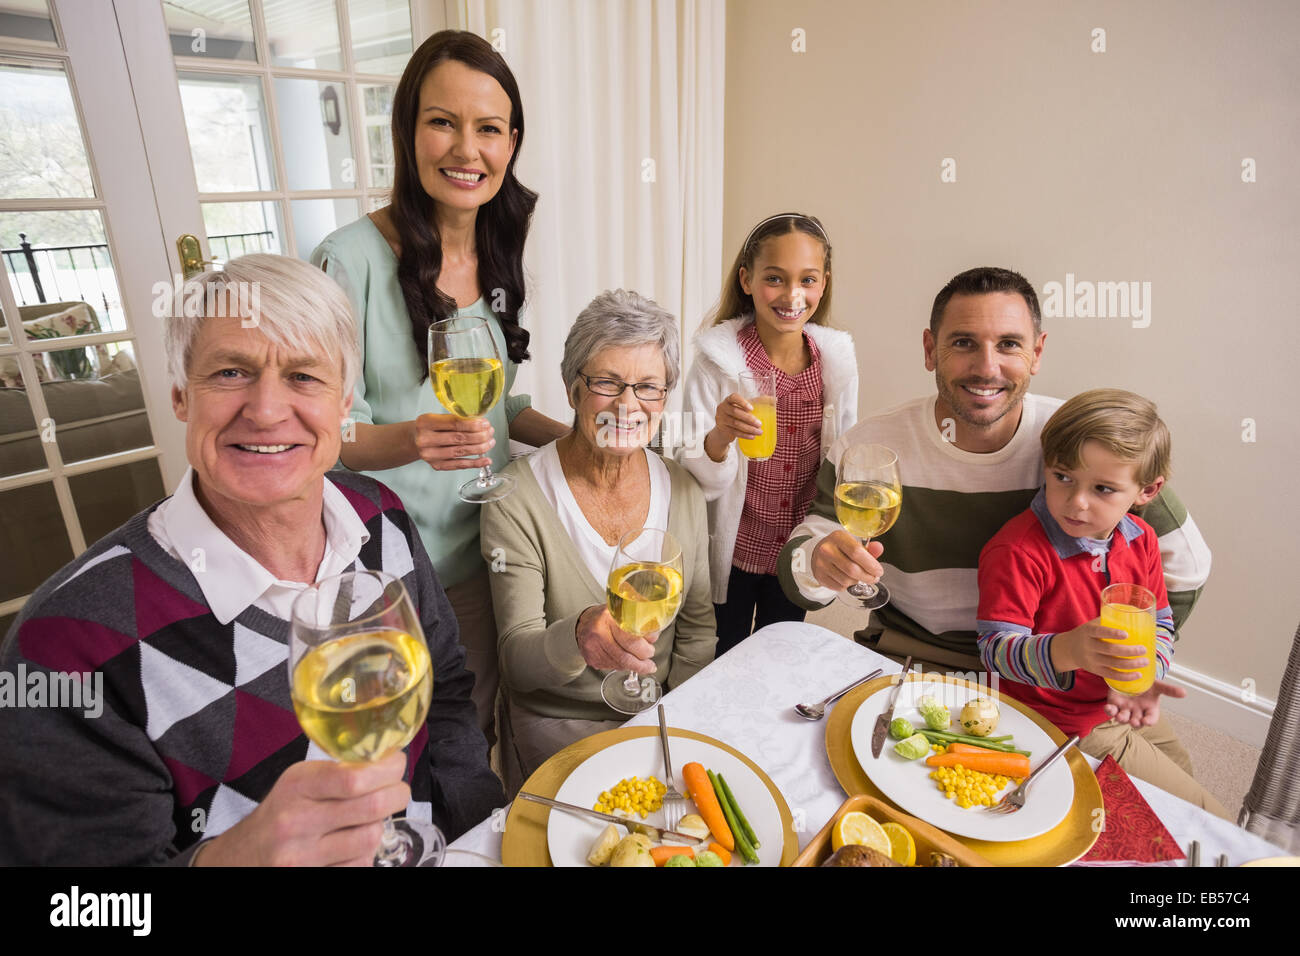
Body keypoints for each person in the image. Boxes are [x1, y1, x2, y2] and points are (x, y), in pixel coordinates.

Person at [0, 255, 503, 865]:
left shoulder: (381, 516)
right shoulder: (65, 644)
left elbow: (445, 691)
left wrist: (476, 831)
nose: (266, 411)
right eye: (232, 372)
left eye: (303, 377)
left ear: (345, 403)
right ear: (182, 395)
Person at [311, 31, 568, 750]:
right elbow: (328, 436)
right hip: (395, 564)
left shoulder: (498, 249)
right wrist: (413, 440)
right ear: (408, 130)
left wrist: (577, 437)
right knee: (403, 745)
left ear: (511, 143)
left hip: (498, 546)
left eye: (488, 128)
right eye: (442, 122)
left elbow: (500, 407)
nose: (466, 149)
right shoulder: (348, 260)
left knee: (479, 729)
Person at [778, 266, 1211, 677]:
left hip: (1051, 668)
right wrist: (818, 561)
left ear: (1037, 352)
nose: (987, 367)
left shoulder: (1077, 440)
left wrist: (1131, 657)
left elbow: (1187, 568)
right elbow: (804, 560)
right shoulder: (870, 446)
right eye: (964, 343)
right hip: (910, 655)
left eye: (1008, 344)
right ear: (930, 350)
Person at [481, 290, 716, 794]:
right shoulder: (514, 498)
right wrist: (579, 636)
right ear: (572, 389)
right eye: (607, 383)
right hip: (558, 720)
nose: (628, 405)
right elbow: (517, 662)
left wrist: (678, 722)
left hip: (659, 711)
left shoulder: (685, 491)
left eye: (648, 387)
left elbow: (697, 633)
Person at [976, 389, 1228, 817]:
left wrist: (1148, 669)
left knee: (1183, 768)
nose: (1076, 501)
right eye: (1062, 477)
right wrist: (1068, 650)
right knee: (1202, 813)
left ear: (1147, 491)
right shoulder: (1018, 550)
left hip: (1118, 700)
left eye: (1103, 489)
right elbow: (994, 650)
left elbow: (1162, 621)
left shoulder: (1142, 540)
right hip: (1062, 719)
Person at [679, 213, 858, 655]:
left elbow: (843, 458)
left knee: (780, 655)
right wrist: (719, 437)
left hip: (796, 549)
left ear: (824, 283)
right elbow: (689, 470)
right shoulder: (715, 364)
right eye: (775, 278)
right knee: (721, 655)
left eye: (808, 280)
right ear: (746, 279)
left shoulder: (836, 365)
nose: (793, 295)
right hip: (733, 546)